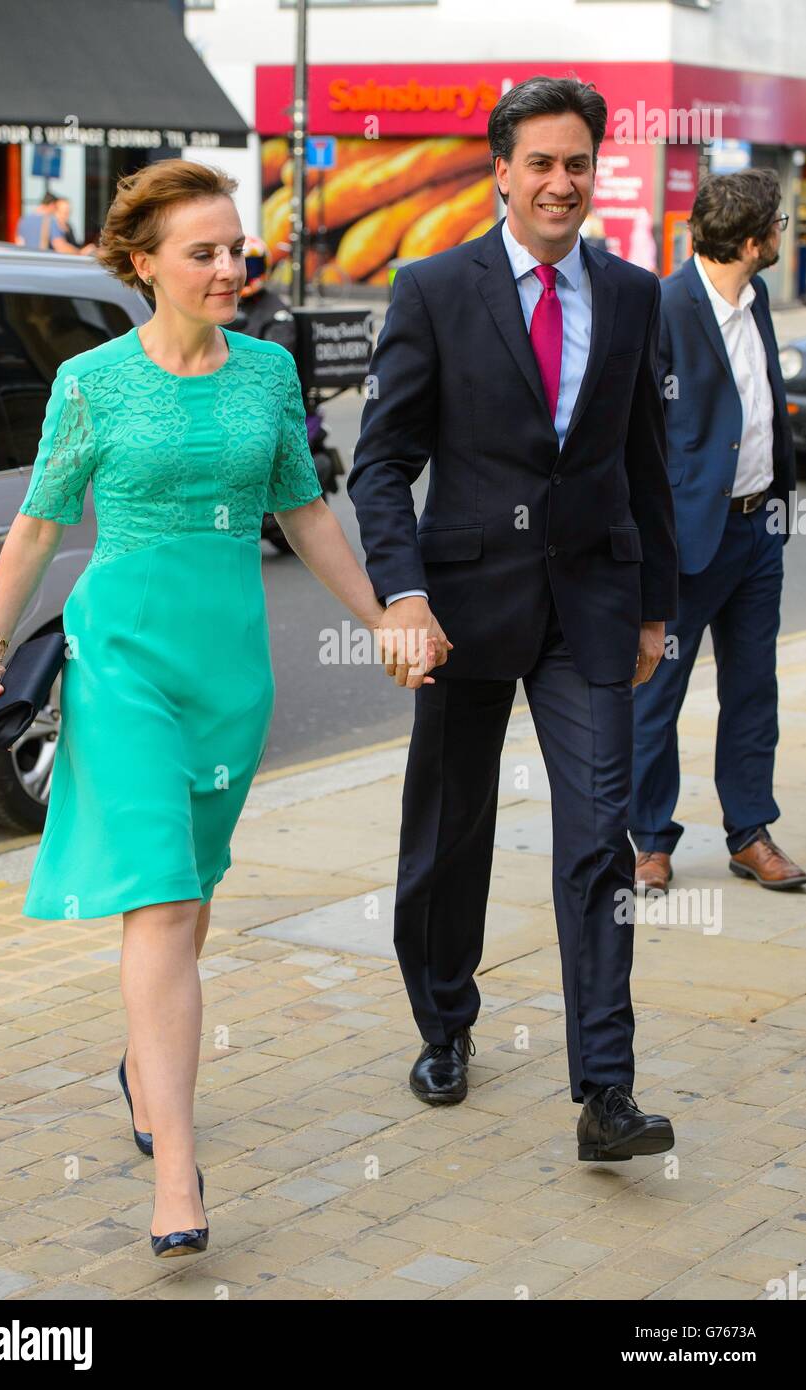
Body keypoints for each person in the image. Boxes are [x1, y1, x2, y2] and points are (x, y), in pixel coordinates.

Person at [0, 159, 413, 1257]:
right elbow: (35, 523)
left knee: (195, 891)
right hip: (120, 655)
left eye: (235, 248)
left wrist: (376, 616)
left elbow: (305, 513)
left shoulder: (266, 373)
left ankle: (142, 1058)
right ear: (144, 265)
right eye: (204, 252)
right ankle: (177, 1170)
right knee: (160, 902)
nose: (231, 267)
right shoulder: (91, 380)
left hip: (229, 669)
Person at [348, 75, 679, 1162]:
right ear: (501, 169)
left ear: (595, 171)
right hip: (460, 607)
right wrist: (400, 593)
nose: (559, 182)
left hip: (590, 607)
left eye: (576, 162)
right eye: (539, 162)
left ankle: (605, 1091)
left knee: (600, 839)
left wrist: (654, 613)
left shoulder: (632, 296)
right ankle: (445, 1022)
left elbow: (643, 465)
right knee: (451, 835)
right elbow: (383, 463)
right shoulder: (435, 287)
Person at [630, 170, 803, 892]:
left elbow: (755, 406)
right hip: (685, 540)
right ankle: (648, 839)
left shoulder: (754, 297)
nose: (783, 239)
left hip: (755, 530)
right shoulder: (664, 307)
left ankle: (748, 832)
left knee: (752, 686)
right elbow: (635, 438)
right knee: (655, 692)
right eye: (779, 227)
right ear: (753, 239)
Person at [14, 191, 87, 254]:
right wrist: (80, 252)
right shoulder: (50, 221)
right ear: (51, 205)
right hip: (43, 262)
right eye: (55, 207)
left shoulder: (23, 220)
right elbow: (59, 246)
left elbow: (19, 243)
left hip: (27, 262)